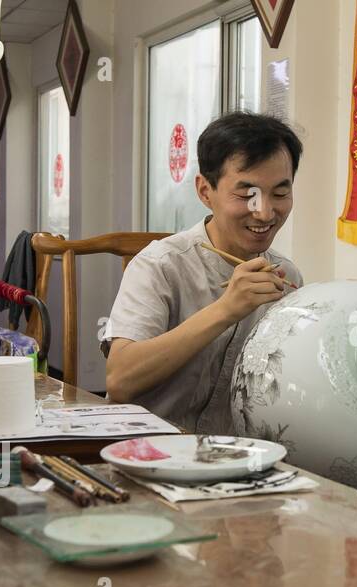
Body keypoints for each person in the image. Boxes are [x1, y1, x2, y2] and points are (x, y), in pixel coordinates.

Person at [103, 112, 304, 434]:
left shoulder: (285, 275)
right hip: (151, 452)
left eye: (280, 193)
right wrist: (226, 309)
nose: (265, 212)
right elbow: (120, 380)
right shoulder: (160, 264)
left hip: (241, 459)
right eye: (246, 194)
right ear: (204, 190)